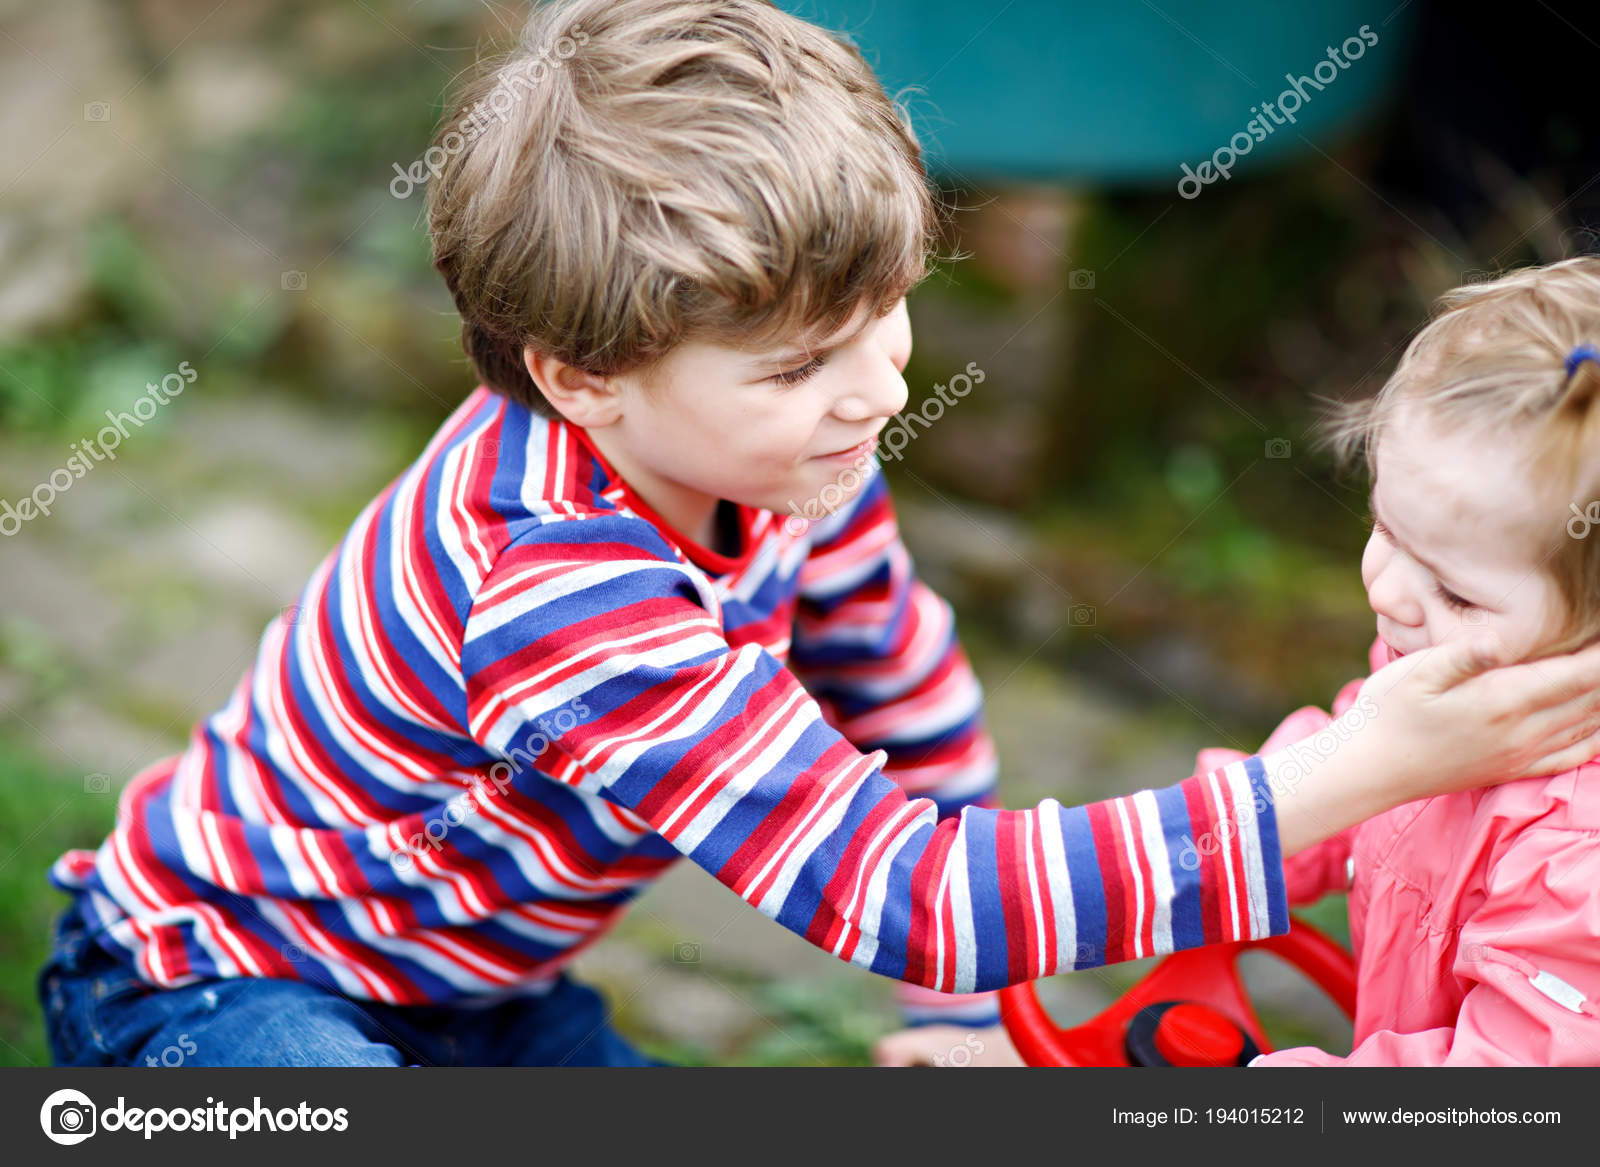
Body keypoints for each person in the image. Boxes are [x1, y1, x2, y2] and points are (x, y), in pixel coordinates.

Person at [37, 0, 1600, 1068]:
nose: (876, 392)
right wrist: (1340, 779)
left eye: (888, 313)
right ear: (585, 378)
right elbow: (911, 886)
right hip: (222, 986)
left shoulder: (787, 461)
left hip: (474, 986)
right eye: (798, 364)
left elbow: (907, 698)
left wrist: (971, 1014)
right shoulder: (558, 598)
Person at [1197, 259, 1600, 1065]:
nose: (1385, 589)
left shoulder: (1577, 858)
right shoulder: (1442, 669)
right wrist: (1202, 846)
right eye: (1384, 526)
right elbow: (1349, 770)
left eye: (1455, 591)